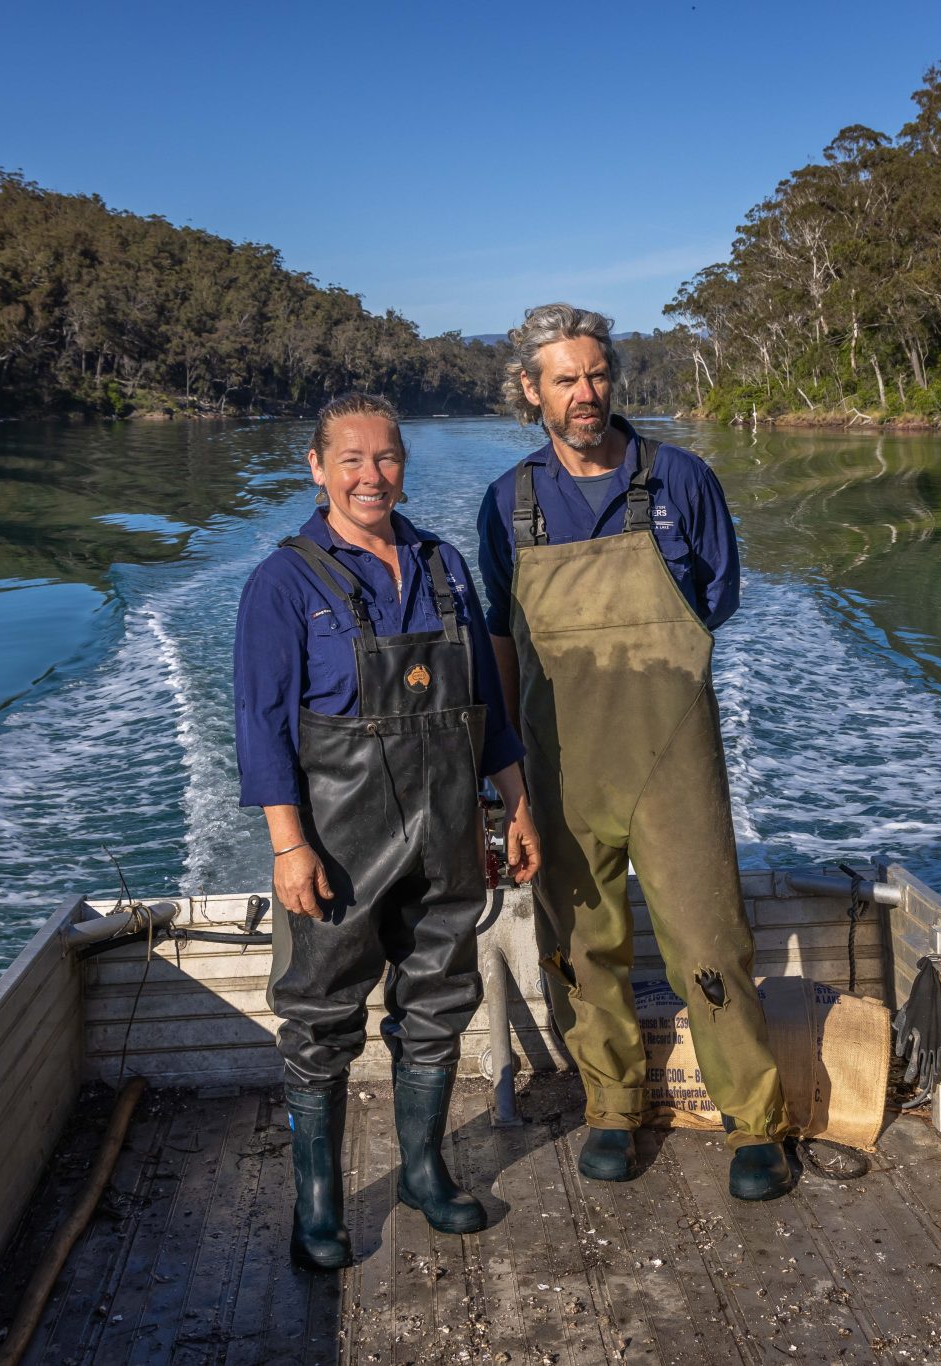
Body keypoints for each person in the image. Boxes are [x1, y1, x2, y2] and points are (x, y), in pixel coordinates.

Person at [476, 304, 794, 1201]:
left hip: (672, 752)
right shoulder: (510, 503)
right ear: (531, 392)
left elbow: (713, 599)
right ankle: (613, 1106)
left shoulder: (680, 479)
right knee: (581, 945)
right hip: (559, 756)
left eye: (597, 374)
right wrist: (502, 773)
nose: (586, 394)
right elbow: (502, 639)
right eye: (565, 380)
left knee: (709, 940)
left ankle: (754, 1122)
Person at [234, 392, 542, 1271]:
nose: (373, 476)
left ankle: (422, 1170)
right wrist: (289, 846)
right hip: (337, 836)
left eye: (388, 458)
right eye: (353, 460)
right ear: (318, 467)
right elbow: (261, 727)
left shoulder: (443, 564)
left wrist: (515, 802)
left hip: (446, 825)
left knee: (439, 1001)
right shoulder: (283, 581)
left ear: (404, 463)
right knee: (319, 1018)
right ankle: (321, 1202)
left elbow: (486, 706)